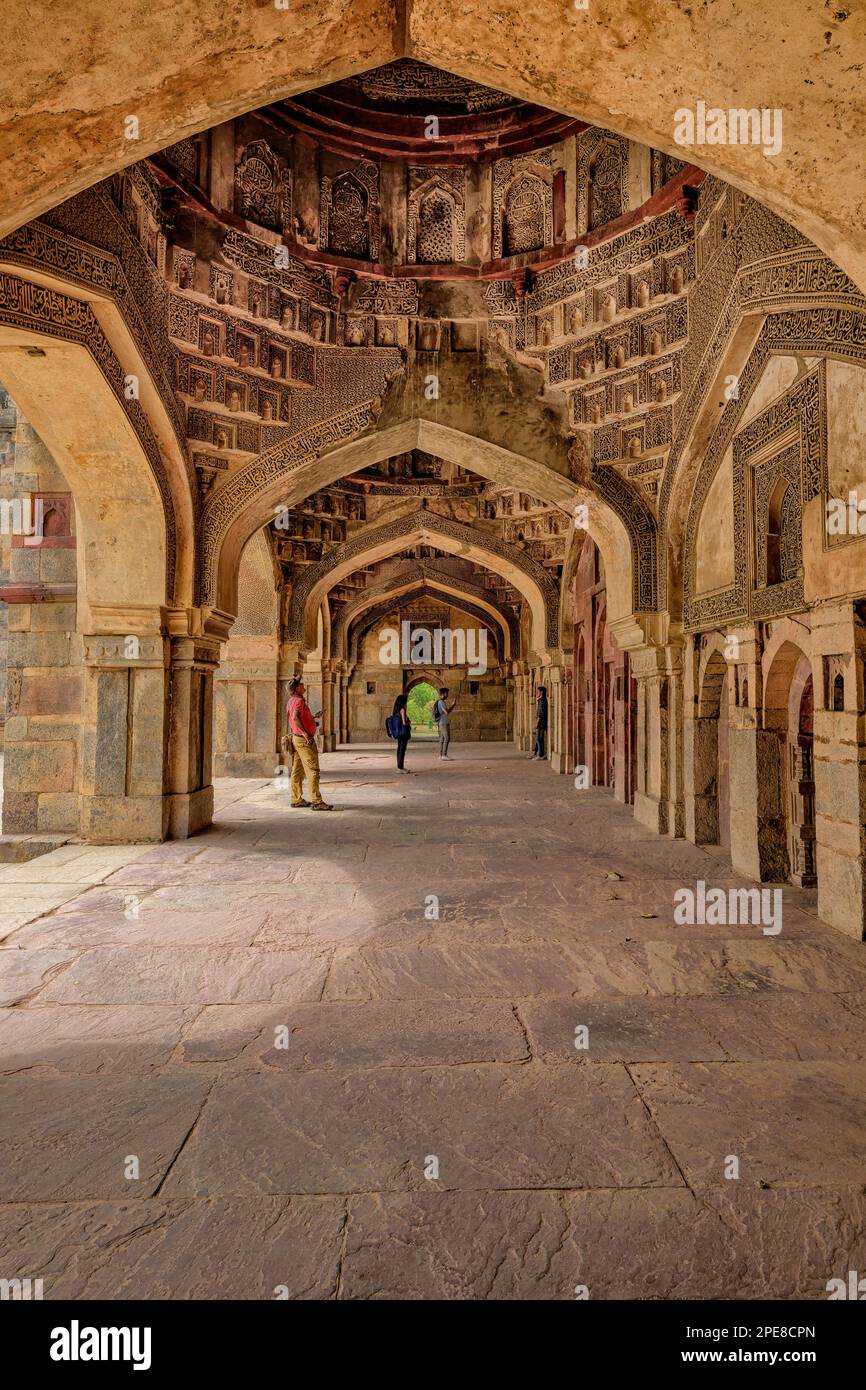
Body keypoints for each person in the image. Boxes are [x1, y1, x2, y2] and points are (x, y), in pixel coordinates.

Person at [285, 676, 332, 809]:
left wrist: (313, 718)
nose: (304, 685)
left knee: (298, 770)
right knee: (313, 770)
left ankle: (296, 799)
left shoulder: (292, 701)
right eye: (301, 684)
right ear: (297, 688)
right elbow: (294, 718)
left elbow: (298, 718)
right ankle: (317, 802)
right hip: (303, 740)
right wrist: (306, 734)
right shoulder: (299, 701)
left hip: (297, 739)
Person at [433, 686, 459, 761]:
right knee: (447, 738)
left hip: (442, 722)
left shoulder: (440, 702)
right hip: (443, 723)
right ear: (444, 693)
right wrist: (453, 705)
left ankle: (441, 755)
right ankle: (444, 755)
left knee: (442, 739)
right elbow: (447, 712)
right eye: (447, 693)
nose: (447, 695)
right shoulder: (441, 702)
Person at [392, 691, 412, 773]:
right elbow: (404, 723)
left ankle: (400, 767)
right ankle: (400, 768)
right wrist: (409, 722)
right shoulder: (402, 709)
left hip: (399, 732)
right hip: (403, 732)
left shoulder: (396, 710)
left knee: (399, 749)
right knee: (402, 750)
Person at [530, 684, 548, 761]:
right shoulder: (540, 700)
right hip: (541, 722)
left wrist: (537, 722)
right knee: (539, 738)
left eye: (538, 691)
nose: (537, 693)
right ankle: (537, 753)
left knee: (538, 738)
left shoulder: (542, 701)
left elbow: (541, 713)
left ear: (542, 692)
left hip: (541, 723)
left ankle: (540, 754)